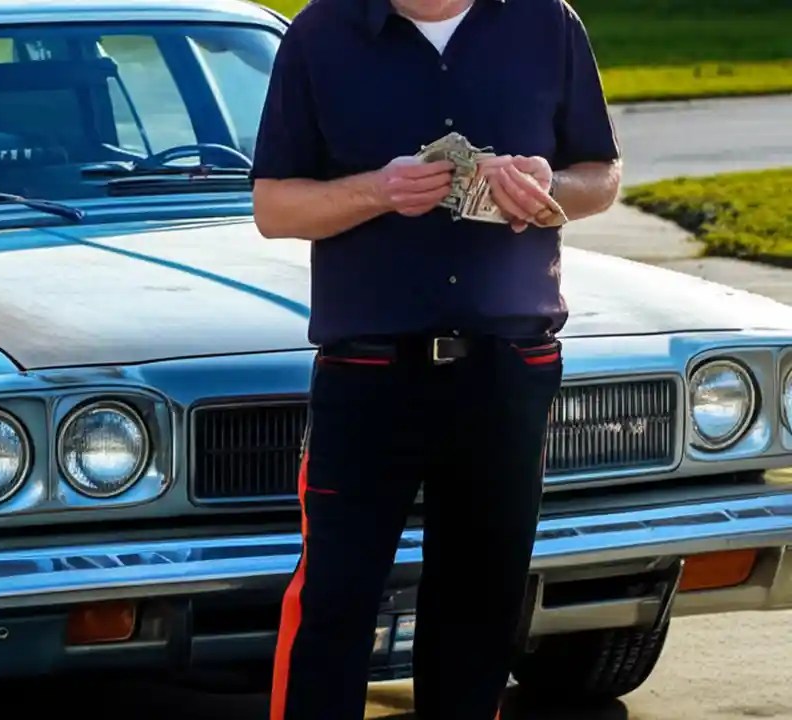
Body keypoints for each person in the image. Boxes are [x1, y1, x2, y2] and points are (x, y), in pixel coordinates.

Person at [249, 0, 623, 718]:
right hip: (369, 372)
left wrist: (551, 187)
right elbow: (274, 207)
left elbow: (601, 175)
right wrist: (377, 191)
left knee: (481, 606)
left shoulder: (547, 24)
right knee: (335, 602)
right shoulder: (321, 34)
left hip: (509, 368)